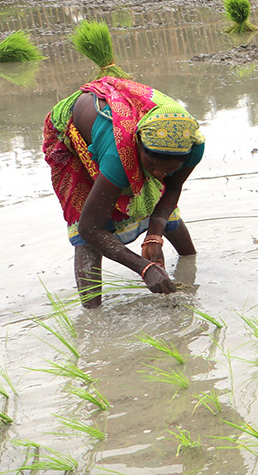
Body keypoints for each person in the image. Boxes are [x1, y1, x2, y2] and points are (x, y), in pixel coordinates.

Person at [42, 77, 204, 307]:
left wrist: (154, 236)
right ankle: (92, 314)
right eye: (153, 165)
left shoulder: (192, 144)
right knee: (86, 214)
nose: (158, 174)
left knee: (157, 196)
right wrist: (144, 268)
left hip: (123, 138)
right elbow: (89, 228)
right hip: (71, 136)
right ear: (138, 146)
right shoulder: (119, 154)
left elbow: (173, 187)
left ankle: (189, 262)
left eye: (169, 169)